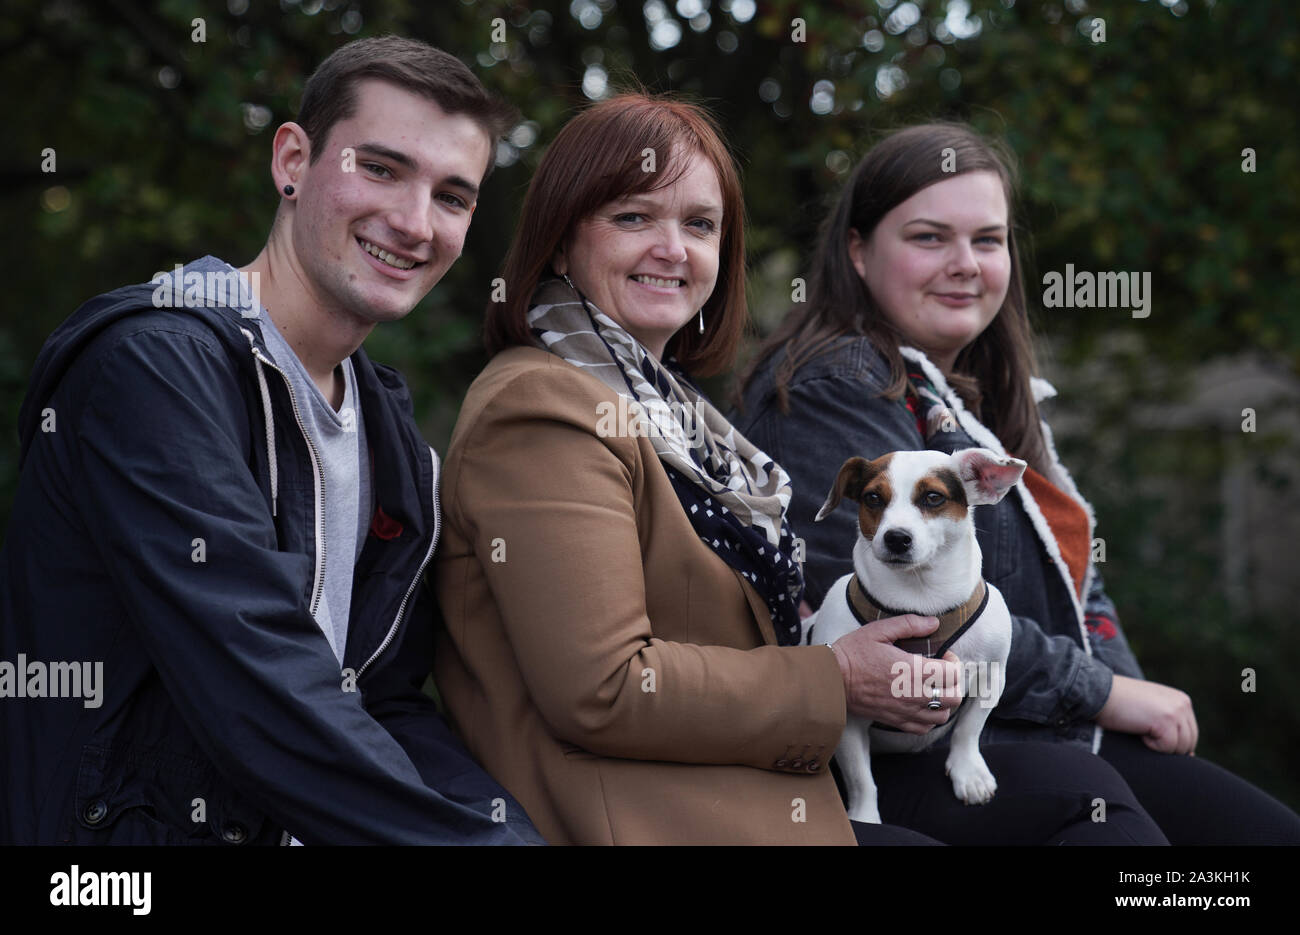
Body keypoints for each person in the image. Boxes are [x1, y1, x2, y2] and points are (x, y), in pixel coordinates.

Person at [431, 95, 1158, 845]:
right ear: (557, 241)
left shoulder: (672, 411)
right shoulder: (543, 410)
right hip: (645, 813)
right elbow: (605, 687)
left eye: (700, 225)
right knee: (1078, 805)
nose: (673, 249)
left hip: (750, 780)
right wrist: (835, 677)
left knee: (1093, 797)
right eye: (633, 217)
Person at [0, 36, 542, 845]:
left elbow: (380, 701)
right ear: (292, 159)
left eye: (453, 197)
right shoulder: (154, 369)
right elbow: (260, 688)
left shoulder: (387, 431)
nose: (413, 221)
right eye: (383, 168)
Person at [736, 122, 1300, 845]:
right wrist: (1110, 694)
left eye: (989, 240)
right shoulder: (833, 381)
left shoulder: (987, 398)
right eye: (929, 237)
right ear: (857, 249)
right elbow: (909, 610)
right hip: (919, 749)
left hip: (1039, 725)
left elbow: (1080, 588)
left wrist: (1136, 701)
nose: (965, 264)